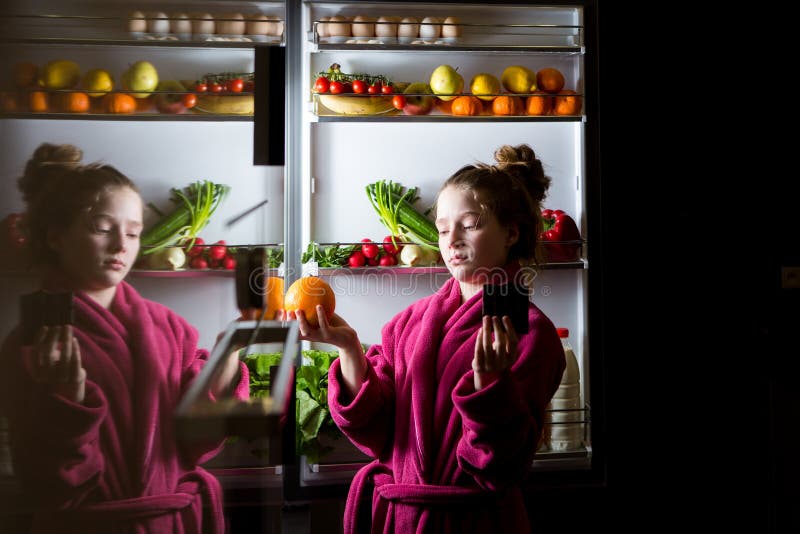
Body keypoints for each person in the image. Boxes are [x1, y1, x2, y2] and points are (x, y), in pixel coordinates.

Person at [288, 144, 567, 533]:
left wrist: (490, 388)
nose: (451, 240)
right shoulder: (410, 322)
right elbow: (377, 433)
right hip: (402, 518)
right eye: (441, 228)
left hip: (473, 522)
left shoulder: (529, 331)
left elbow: (503, 466)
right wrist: (349, 349)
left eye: (469, 225)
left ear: (511, 233)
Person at [0, 143, 249, 534]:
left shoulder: (170, 328)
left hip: (172, 522)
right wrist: (69, 403)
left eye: (133, 234)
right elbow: (45, 484)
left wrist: (229, 354)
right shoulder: (32, 343)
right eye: (102, 229)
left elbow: (196, 443)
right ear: (55, 237)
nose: (121, 246)